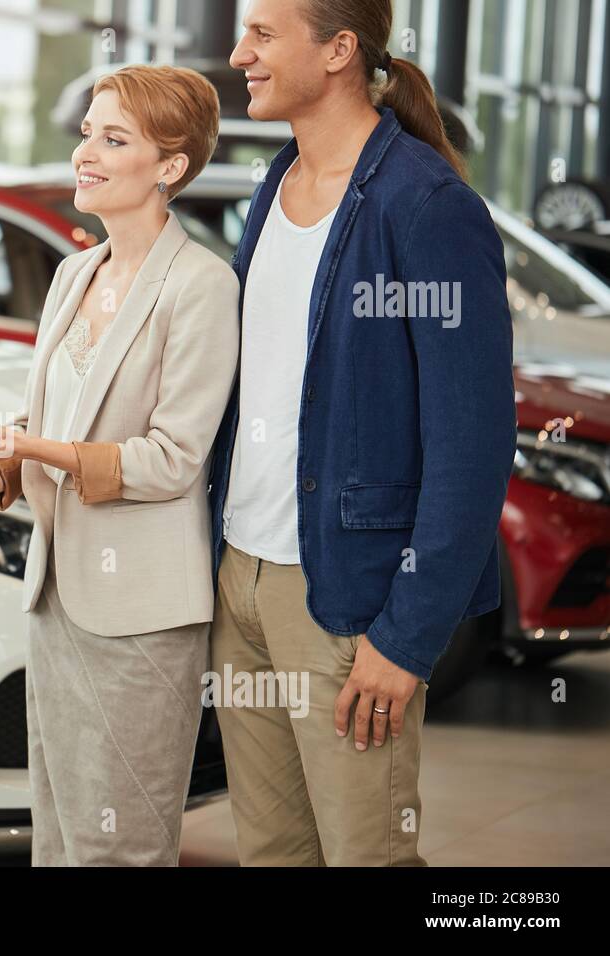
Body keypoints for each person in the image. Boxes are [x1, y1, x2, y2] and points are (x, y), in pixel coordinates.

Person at [207, 0, 516, 865]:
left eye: (264, 35)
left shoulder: (426, 206)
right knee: (272, 852)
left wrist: (408, 638)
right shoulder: (278, 181)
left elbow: (474, 442)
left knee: (367, 855)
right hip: (243, 578)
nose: (240, 55)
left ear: (341, 49)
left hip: (345, 600)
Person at [0, 65, 239, 865]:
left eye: (113, 138)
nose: (84, 154)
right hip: (57, 597)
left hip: (141, 617)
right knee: (60, 837)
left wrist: (27, 448)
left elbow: (171, 460)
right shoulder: (75, 272)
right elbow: (47, 425)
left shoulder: (202, 286)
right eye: (86, 133)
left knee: (122, 845)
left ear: (170, 168)